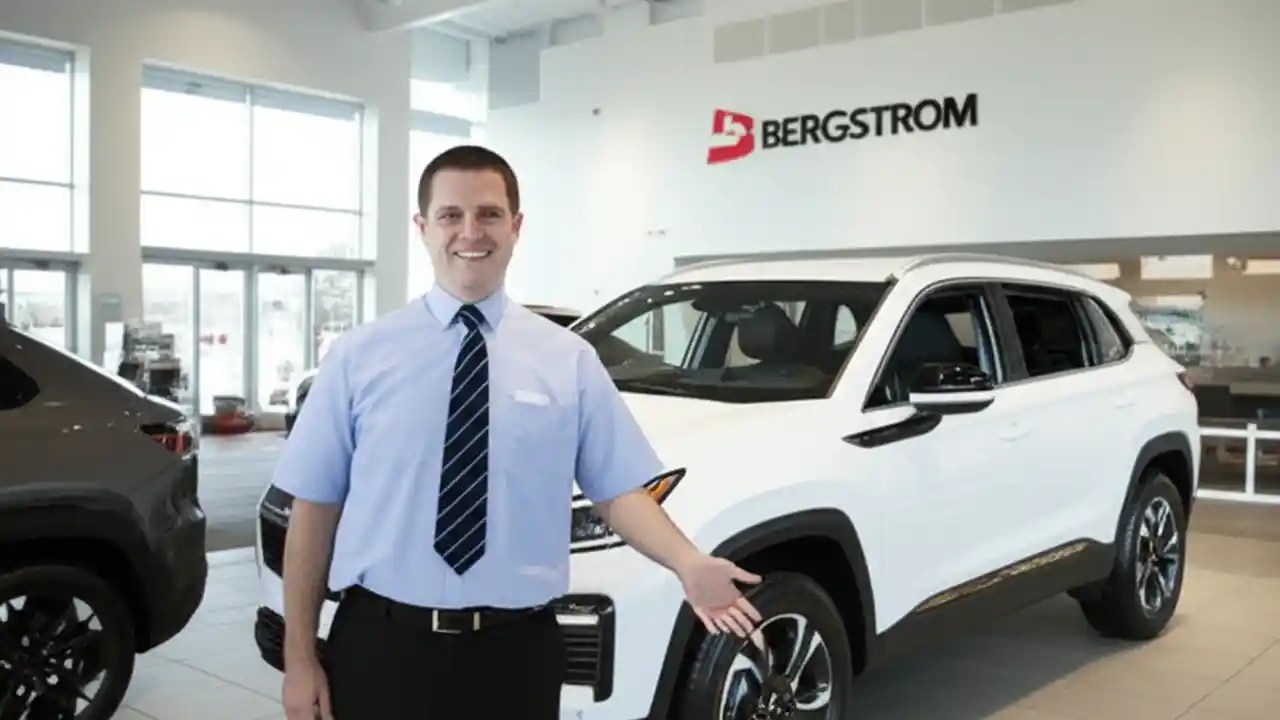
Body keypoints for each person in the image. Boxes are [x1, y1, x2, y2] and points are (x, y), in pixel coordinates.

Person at [275, 144, 763, 720]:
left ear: (516, 226)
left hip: (515, 653)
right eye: (450, 215)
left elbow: (618, 491)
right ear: (423, 227)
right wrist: (299, 659)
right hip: (382, 645)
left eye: (488, 214)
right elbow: (314, 510)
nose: (470, 232)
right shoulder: (359, 356)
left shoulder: (568, 359)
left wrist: (688, 562)